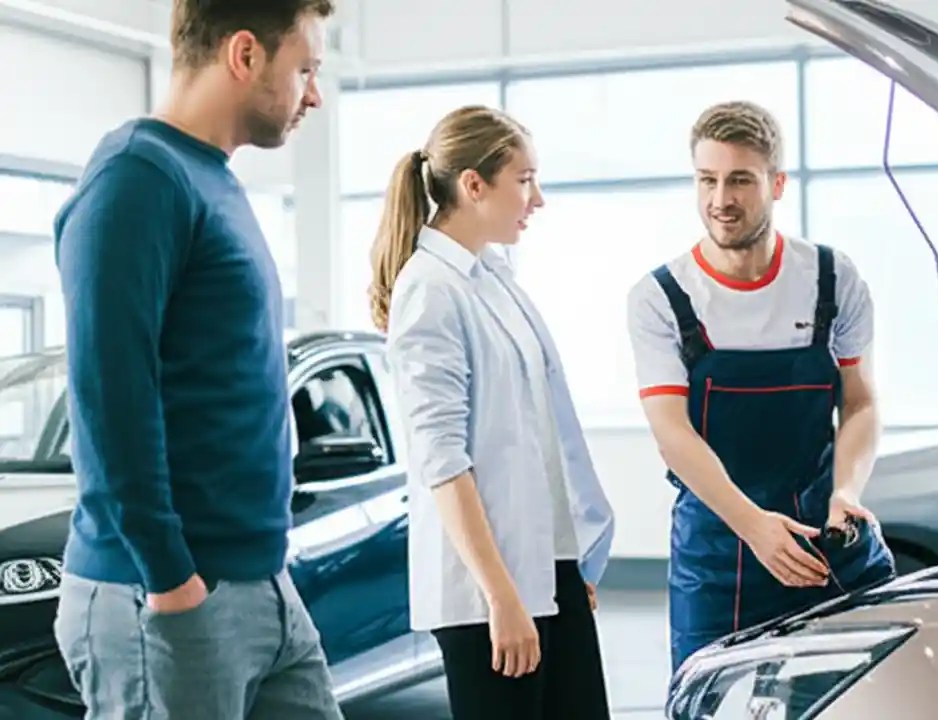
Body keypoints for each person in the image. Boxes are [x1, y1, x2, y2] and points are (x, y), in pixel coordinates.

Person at [50, 2, 343, 718]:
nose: (315, 94)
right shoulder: (136, 179)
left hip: (260, 584)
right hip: (168, 593)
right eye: (304, 68)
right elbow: (108, 396)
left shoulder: (210, 178)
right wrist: (170, 577)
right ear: (244, 55)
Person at [625, 100, 897, 674]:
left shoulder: (831, 278)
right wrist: (753, 526)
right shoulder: (662, 297)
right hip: (719, 549)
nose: (720, 200)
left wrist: (845, 493)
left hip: (825, 536)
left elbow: (861, 401)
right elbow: (672, 436)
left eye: (740, 180)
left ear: (776, 184)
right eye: (707, 180)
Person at [369, 104, 616, 720]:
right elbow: (443, 463)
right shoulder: (430, 290)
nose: (538, 199)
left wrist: (567, 558)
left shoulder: (492, 279)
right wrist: (502, 597)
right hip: (490, 592)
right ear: (473, 185)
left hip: (543, 570)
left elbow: (539, 437)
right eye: (525, 180)